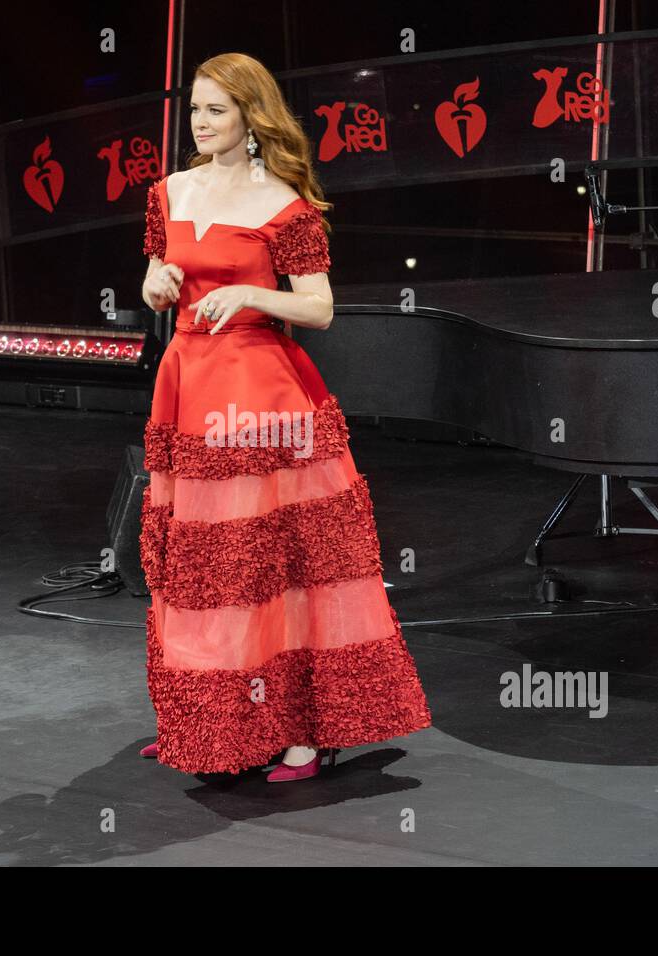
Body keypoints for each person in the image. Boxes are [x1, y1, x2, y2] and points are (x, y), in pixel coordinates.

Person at [137, 52, 431, 783]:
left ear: (250, 117)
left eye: (217, 111)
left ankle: (302, 729)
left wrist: (252, 296)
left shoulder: (283, 201)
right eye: (197, 110)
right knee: (201, 565)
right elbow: (151, 276)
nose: (202, 123)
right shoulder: (167, 192)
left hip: (261, 395)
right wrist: (157, 283)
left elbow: (320, 308)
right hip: (188, 386)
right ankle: (207, 715)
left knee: (273, 565)